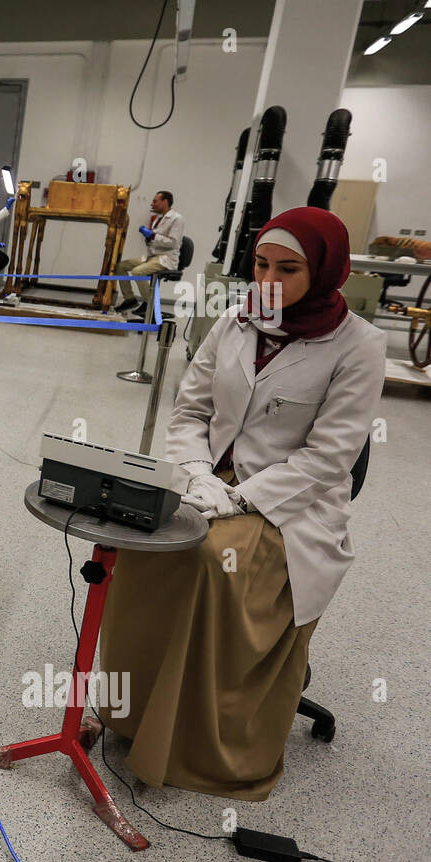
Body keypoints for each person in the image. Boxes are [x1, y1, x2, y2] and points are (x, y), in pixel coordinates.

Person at [95, 207, 385, 801]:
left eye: (288, 268)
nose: (268, 281)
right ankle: (132, 714)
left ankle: (189, 745)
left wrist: (239, 499)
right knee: (142, 543)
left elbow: (329, 460)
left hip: (291, 503)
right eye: (260, 264)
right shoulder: (234, 320)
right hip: (209, 479)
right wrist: (200, 477)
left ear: (325, 272)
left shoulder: (359, 346)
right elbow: (191, 411)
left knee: (205, 560)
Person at [115, 190, 184, 316]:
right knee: (121, 266)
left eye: (155, 201)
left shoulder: (177, 219)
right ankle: (130, 299)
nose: (152, 204)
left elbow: (173, 243)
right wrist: (148, 237)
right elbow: (153, 242)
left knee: (137, 272)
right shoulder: (158, 218)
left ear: (165, 202)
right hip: (152, 256)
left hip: (165, 258)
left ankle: (150, 304)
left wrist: (152, 236)